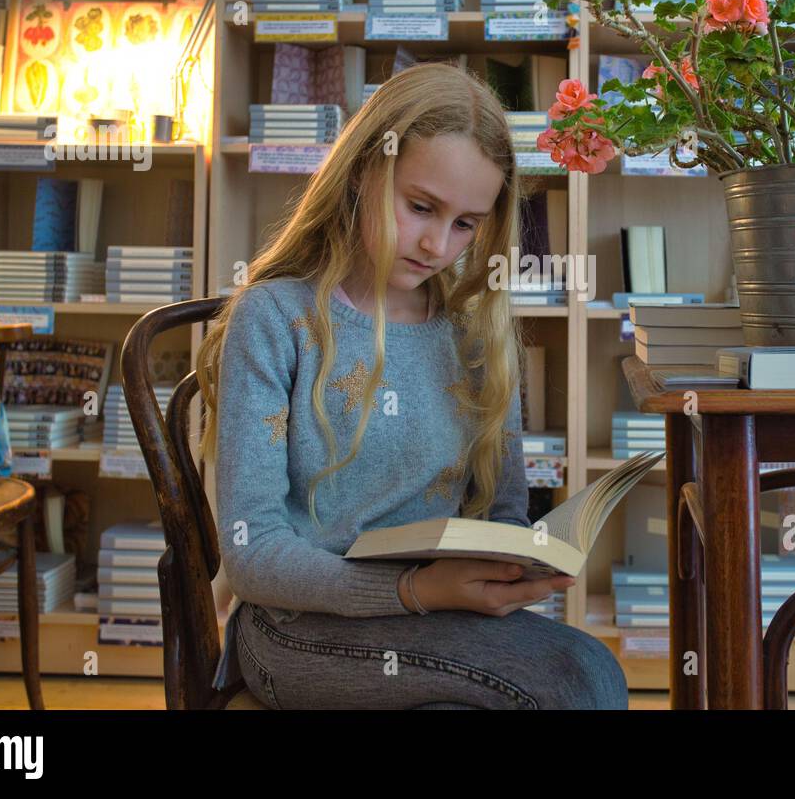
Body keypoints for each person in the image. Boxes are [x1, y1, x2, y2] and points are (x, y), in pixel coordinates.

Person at [194, 62, 628, 709]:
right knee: (575, 680)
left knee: (592, 667)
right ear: (364, 171)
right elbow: (253, 556)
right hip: (293, 628)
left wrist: (513, 567)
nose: (436, 243)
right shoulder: (276, 318)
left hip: (433, 620)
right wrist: (418, 590)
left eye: (465, 224)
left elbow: (502, 513)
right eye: (421, 207)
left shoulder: (475, 334)